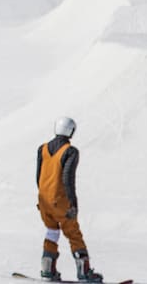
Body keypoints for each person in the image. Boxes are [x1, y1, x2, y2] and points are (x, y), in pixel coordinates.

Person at [37, 117, 102, 282]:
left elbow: (38, 175)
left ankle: (47, 269)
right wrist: (73, 203)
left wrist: (43, 196)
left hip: (44, 200)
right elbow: (68, 178)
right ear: (71, 131)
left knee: (52, 231)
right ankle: (84, 271)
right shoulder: (70, 151)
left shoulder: (42, 149)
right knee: (73, 234)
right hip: (60, 201)